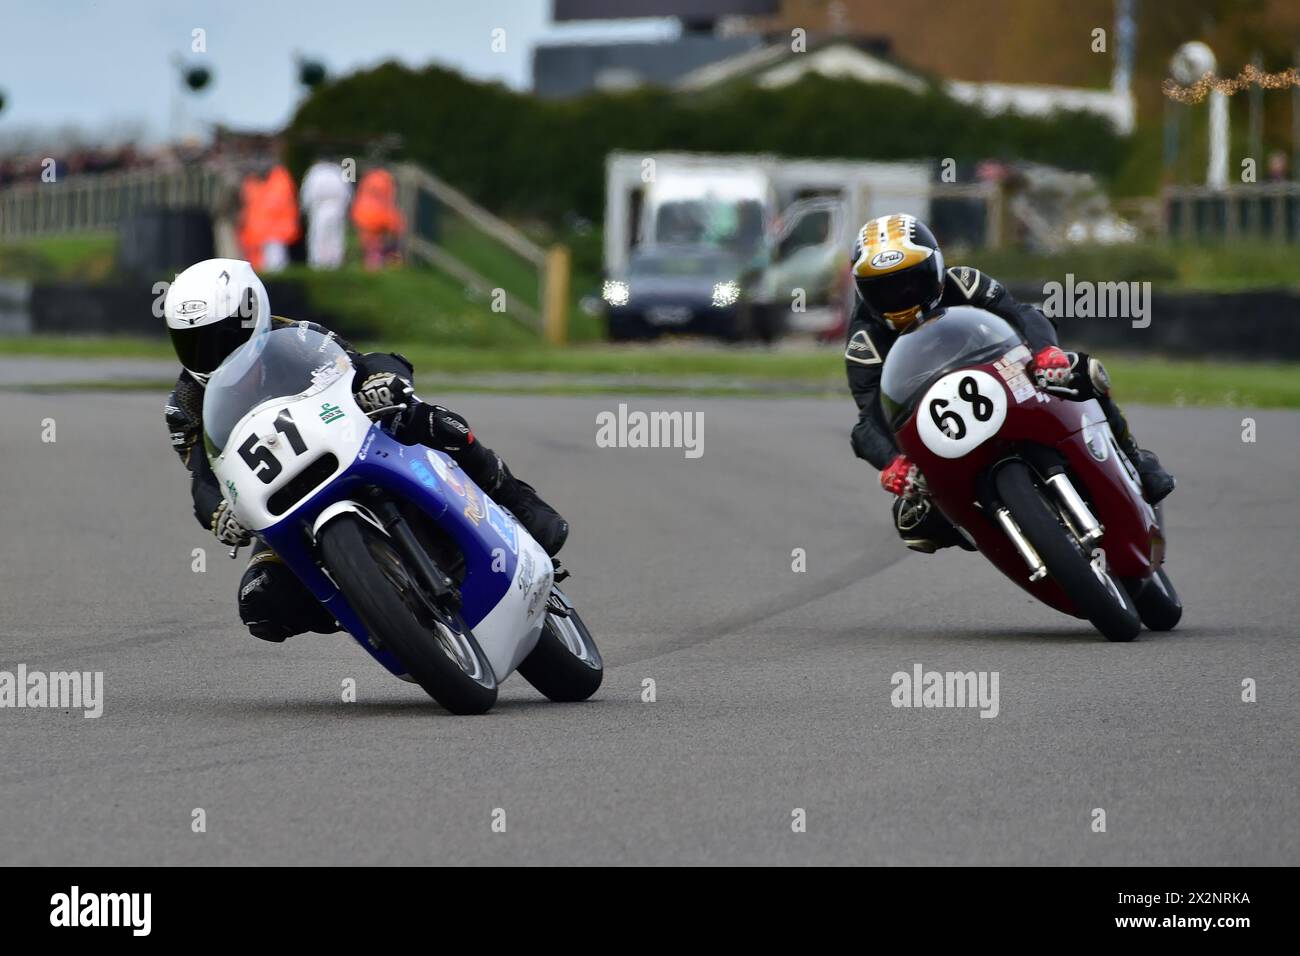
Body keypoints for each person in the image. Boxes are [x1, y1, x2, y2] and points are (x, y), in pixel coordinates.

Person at [162, 258, 568, 642]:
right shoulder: (185, 406)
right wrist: (217, 513)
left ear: (252, 316)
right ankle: (373, 606)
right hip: (284, 497)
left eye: (219, 338)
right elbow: (203, 477)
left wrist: (382, 384)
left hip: (352, 446)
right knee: (262, 603)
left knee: (425, 419)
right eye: (190, 342)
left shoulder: (299, 337)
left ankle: (515, 497)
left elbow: (370, 363)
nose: (207, 354)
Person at [844, 214, 1174, 553]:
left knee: (1081, 370)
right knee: (913, 522)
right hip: (938, 425)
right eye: (882, 289)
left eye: (911, 281)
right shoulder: (863, 344)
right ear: (862, 290)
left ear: (936, 268)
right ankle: (978, 526)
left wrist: (1046, 353)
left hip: (1003, 377)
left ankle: (1134, 457)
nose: (901, 296)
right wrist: (891, 463)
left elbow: (1024, 314)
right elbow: (868, 422)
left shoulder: (965, 283)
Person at [299, 159, 352, 269]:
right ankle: (333, 262)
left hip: (320, 209)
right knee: (334, 236)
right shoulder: (337, 171)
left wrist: (306, 209)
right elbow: (347, 194)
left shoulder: (315, 172)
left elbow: (307, 194)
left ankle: (318, 262)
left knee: (319, 236)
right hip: (335, 208)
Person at [351, 168, 404, 270]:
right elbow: (388, 202)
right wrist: (396, 224)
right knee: (378, 245)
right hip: (378, 217)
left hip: (363, 215)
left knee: (370, 244)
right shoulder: (386, 180)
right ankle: (379, 266)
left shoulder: (368, 178)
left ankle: (371, 265)